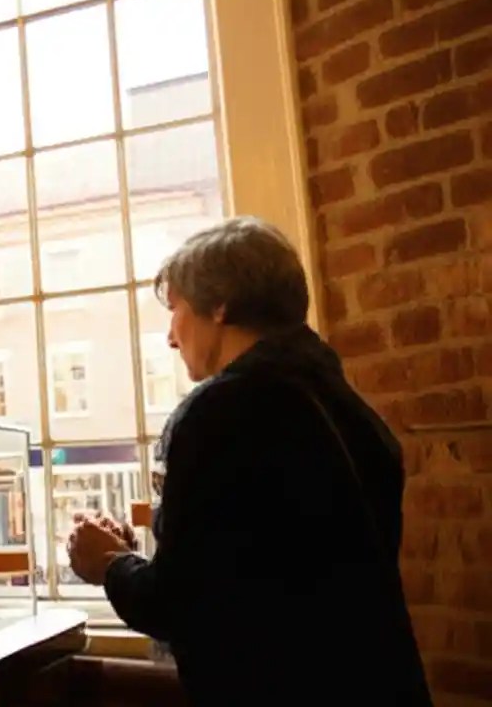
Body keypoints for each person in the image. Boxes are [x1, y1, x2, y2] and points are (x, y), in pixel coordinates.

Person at [67, 217, 432, 706]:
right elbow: (263, 577)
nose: (171, 338)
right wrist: (133, 559)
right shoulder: (354, 412)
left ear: (220, 305)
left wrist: (107, 564)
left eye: (176, 309)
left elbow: (180, 605)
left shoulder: (216, 414)